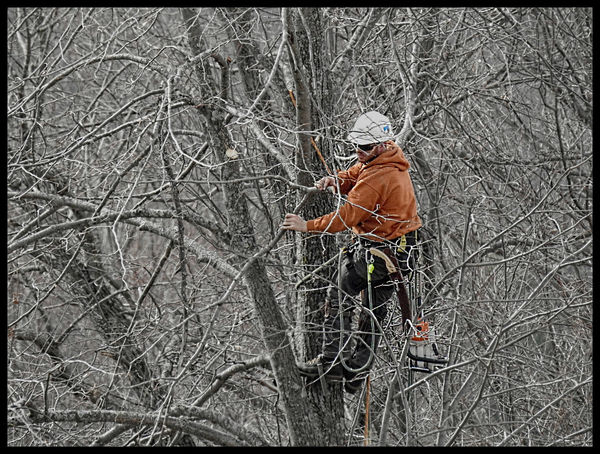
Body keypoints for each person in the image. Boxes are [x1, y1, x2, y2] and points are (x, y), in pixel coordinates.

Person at [282, 111, 422, 393]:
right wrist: (336, 180)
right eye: (357, 146)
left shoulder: (378, 177)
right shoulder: (387, 158)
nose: (359, 151)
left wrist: (306, 225)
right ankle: (358, 369)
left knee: (342, 289)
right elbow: (356, 174)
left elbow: (346, 216)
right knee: (374, 309)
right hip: (401, 251)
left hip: (383, 254)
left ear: (381, 145)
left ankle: (333, 361)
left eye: (365, 147)